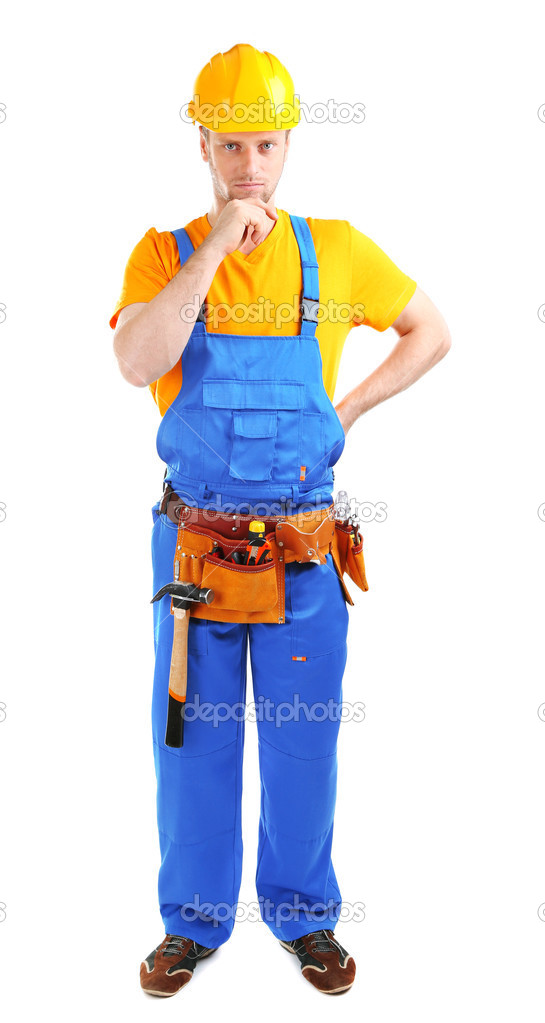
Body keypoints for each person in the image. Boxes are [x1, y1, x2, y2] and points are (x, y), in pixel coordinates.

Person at [110, 42, 451, 997]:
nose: (248, 165)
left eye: (264, 143)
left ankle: (304, 917)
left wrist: (346, 413)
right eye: (229, 146)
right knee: (194, 743)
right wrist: (216, 244)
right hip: (195, 554)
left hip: (303, 552)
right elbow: (137, 361)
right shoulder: (166, 254)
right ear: (204, 148)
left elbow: (432, 329)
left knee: (303, 743)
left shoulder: (335, 252)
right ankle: (193, 923)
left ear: (289, 141)